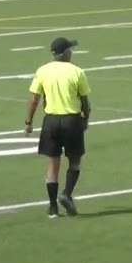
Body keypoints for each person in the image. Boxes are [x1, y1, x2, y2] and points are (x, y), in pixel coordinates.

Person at [25, 37, 92, 218]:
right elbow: (85, 103)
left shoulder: (42, 71)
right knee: (75, 161)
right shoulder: (77, 72)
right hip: (71, 120)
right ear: (66, 53)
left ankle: (53, 207)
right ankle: (67, 194)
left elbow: (34, 99)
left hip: (51, 121)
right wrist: (85, 120)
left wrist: (28, 122)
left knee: (53, 163)